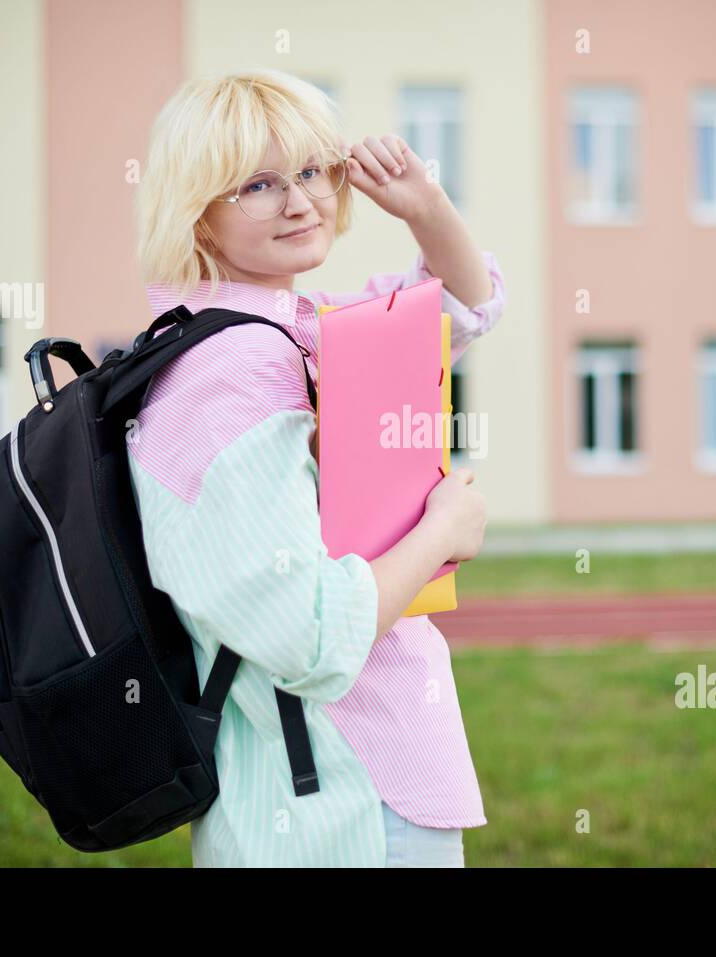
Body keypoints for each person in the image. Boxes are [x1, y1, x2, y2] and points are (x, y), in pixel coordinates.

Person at [128, 68, 507, 866]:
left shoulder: (283, 329)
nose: (300, 201)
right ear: (198, 212)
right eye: (259, 184)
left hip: (327, 789)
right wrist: (442, 530)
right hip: (341, 801)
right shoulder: (231, 374)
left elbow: (462, 308)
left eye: (311, 172)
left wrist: (427, 210)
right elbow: (309, 632)